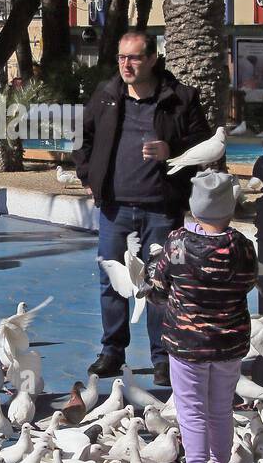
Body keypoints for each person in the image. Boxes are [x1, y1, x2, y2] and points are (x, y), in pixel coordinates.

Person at [72, 28, 212, 386]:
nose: (126, 64)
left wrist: (173, 151)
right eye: (121, 57)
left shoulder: (180, 98)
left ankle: (162, 357)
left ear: (152, 58)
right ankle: (112, 352)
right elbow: (81, 137)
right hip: (114, 209)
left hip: (160, 209)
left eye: (133, 57)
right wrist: (88, 176)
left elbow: (205, 147)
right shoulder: (106, 95)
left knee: (160, 285)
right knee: (111, 283)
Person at [147, 170, 258, 463]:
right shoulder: (242, 246)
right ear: (230, 207)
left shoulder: (178, 244)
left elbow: (159, 287)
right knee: (221, 407)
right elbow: (248, 282)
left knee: (192, 409)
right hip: (229, 343)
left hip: (187, 344)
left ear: (195, 208)